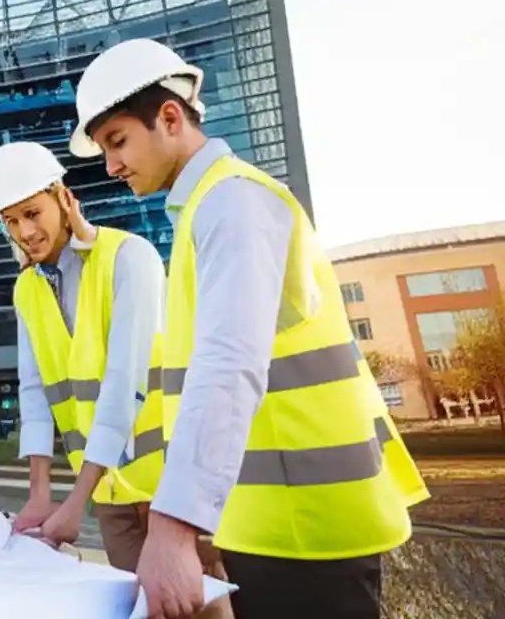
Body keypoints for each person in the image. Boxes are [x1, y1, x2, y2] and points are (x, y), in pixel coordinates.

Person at [70, 37, 429, 619]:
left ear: (169, 117)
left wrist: (173, 526)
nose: (110, 166)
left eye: (117, 141)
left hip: (308, 531)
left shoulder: (233, 202)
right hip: (277, 526)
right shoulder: (206, 211)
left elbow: (227, 365)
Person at [0, 143, 166, 552]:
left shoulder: (129, 259)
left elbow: (123, 386)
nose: (24, 232)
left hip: (170, 485)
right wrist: (40, 494)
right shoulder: (26, 289)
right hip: (110, 493)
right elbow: (34, 393)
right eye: (11, 221)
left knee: (202, 606)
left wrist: (74, 503)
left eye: (32, 213)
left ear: (64, 199)